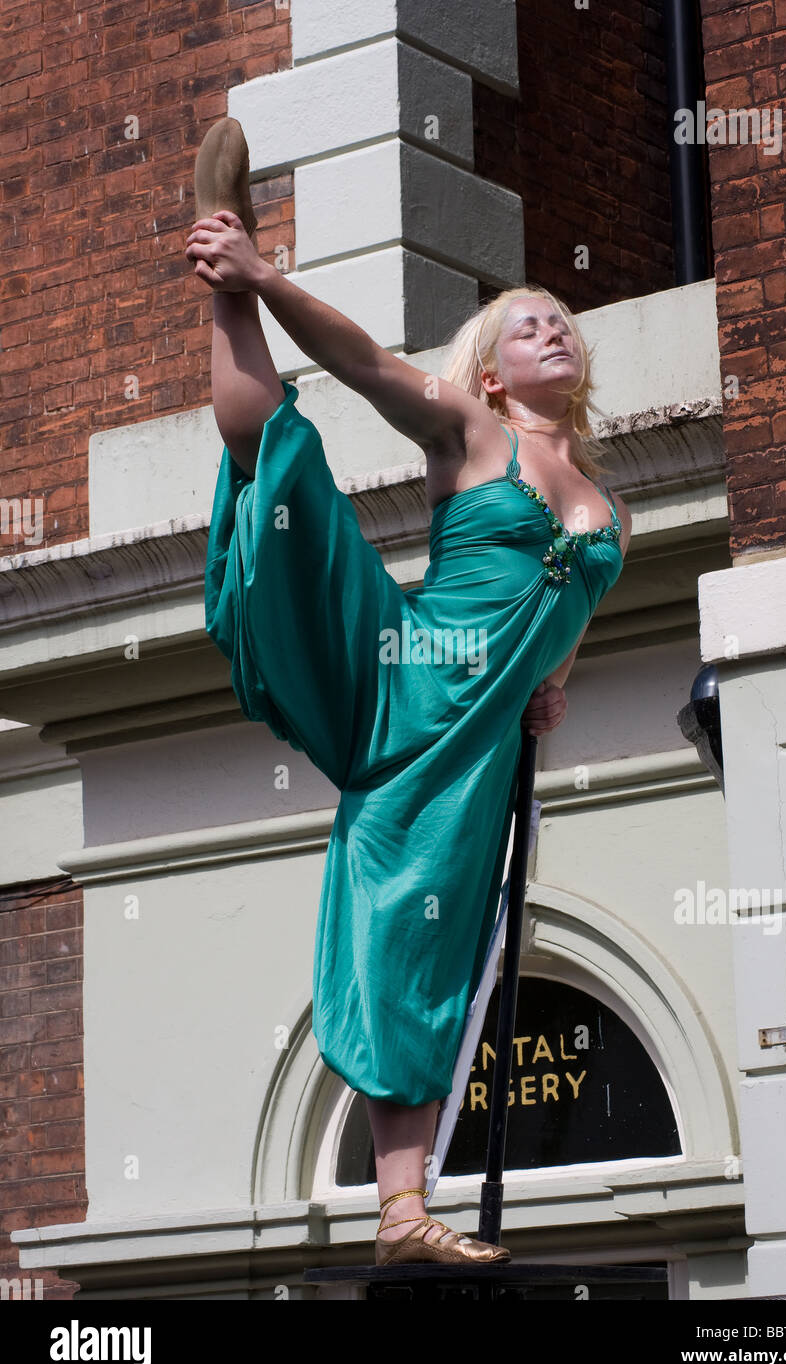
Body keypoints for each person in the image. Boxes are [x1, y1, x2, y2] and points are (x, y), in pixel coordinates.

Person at [186, 119, 632, 1266]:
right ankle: (222, 267)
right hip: (414, 680)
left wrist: (553, 689)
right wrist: (268, 277)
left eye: (562, 322)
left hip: (485, 738)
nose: (551, 330)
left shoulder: (599, 496)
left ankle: (401, 1212)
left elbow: (566, 612)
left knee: (448, 947)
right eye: (528, 323)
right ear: (490, 367)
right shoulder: (470, 431)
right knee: (286, 474)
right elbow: (368, 367)